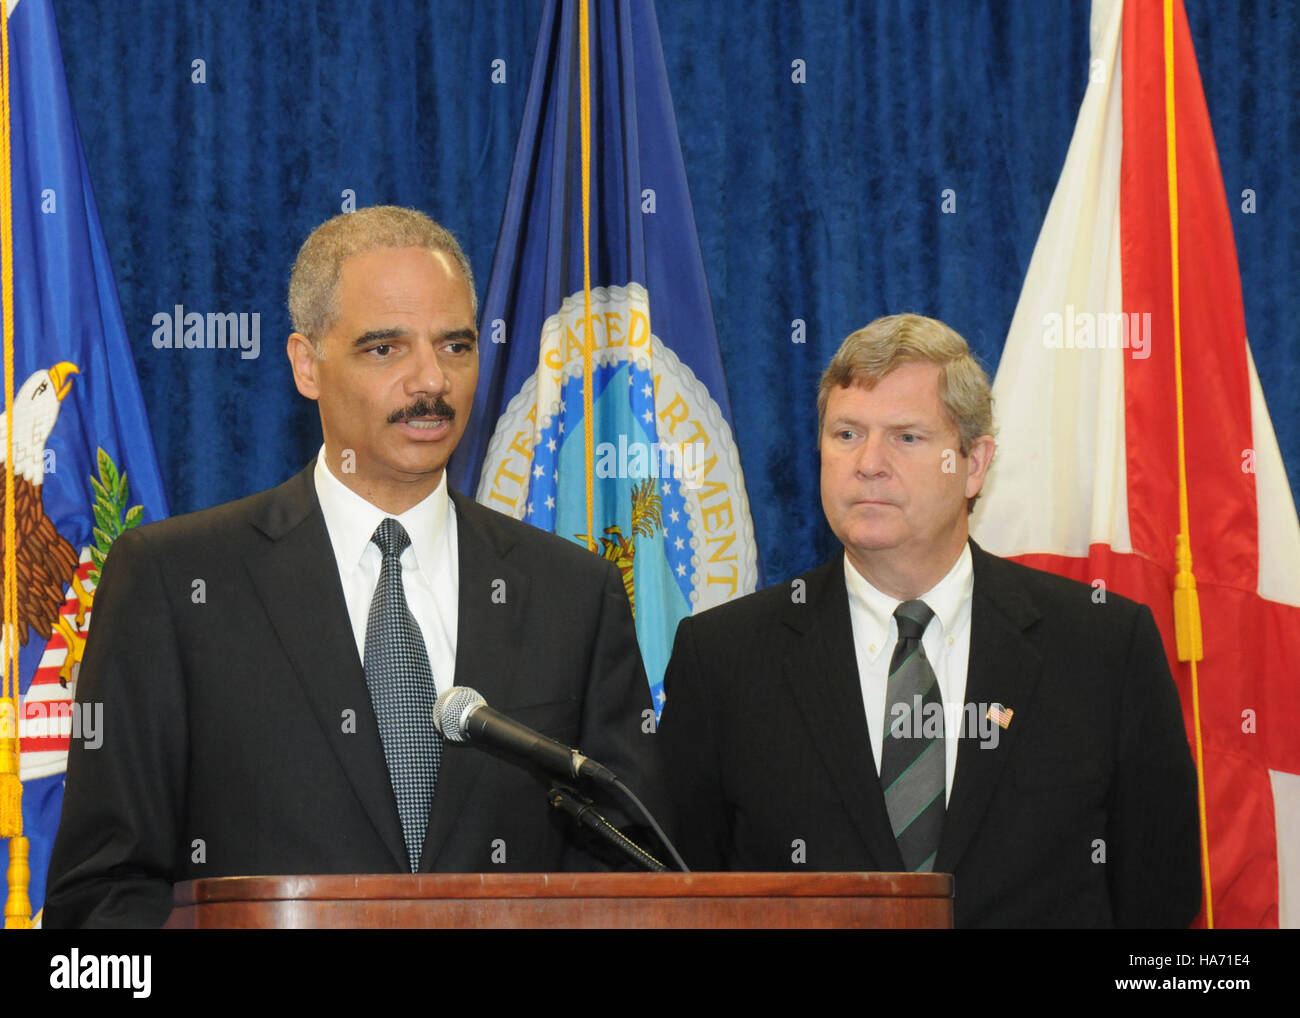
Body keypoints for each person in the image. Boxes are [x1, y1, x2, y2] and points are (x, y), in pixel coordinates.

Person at [45, 206, 664, 928]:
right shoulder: (175, 583)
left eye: (456, 346)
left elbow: (632, 876)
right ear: (307, 365)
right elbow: (101, 899)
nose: (431, 380)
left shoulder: (573, 593)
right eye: (385, 349)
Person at [658, 313, 1201, 928]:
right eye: (846, 434)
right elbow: (682, 901)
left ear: (973, 464)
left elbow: (1161, 901)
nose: (868, 463)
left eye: (907, 437)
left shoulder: (1104, 647)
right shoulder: (723, 658)